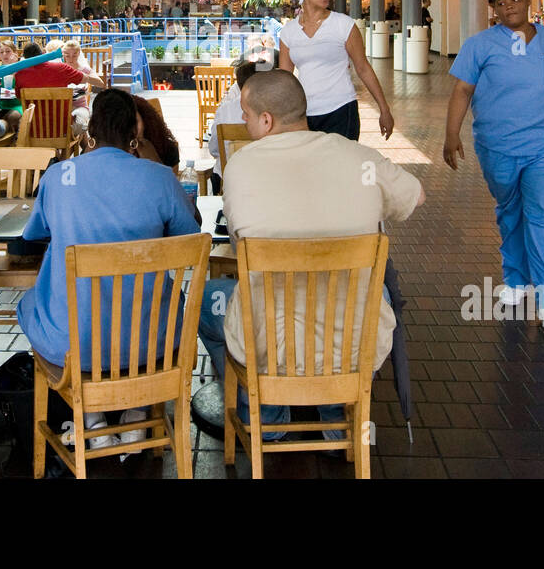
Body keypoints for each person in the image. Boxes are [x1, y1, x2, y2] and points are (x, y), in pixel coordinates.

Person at [197, 69, 424, 438]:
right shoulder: (358, 156)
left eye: (246, 114)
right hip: (353, 345)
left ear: (266, 120)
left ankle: (266, 419)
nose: (242, 120)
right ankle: (339, 424)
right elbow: (417, 195)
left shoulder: (240, 166)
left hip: (269, 345)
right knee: (374, 292)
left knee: (206, 302)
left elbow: (239, 241)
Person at [17, 88, 200, 451]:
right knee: (149, 305)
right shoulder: (159, 178)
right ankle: (137, 414)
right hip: (152, 344)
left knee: (29, 302)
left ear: (90, 131)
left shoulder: (59, 175)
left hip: (72, 347)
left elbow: (34, 233)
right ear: (136, 129)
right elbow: (190, 237)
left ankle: (92, 419)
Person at [444, 0, 544, 334]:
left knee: (543, 216)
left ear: (528, 1)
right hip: (498, 146)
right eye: (501, 2)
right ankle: (516, 278)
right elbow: (462, 91)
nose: (509, 6)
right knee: (510, 210)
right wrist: (451, 135)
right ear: (493, 8)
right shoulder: (480, 45)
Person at [278, 0, 395, 141]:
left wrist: (384, 109)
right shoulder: (289, 32)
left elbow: (363, 68)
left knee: (341, 167)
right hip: (304, 115)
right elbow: (285, 79)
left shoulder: (343, 25)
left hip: (341, 110)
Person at [204, 55, 272, 193]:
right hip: (265, 181)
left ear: (239, 85)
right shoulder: (276, 111)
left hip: (228, 181)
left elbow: (214, 149)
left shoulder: (225, 110)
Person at [14, 41, 106, 134]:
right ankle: (83, 146)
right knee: (79, 123)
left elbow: (19, 98)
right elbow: (90, 79)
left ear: (24, 58)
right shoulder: (61, 68)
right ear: (43, 53)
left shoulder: (19, 74)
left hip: (33, 129)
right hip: (62, 128)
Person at [131, 95, 181, 169]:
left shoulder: (167, 149)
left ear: (146, 122)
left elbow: (168, 179)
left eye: (134, 122)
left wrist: (153, 161)